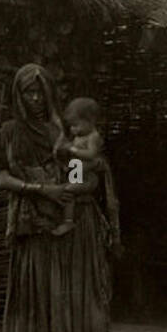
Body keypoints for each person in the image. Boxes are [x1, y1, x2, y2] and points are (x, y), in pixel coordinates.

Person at [0, 65, 112, 332]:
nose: (36, 98)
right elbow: (2, 179)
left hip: (71, 222)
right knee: (37, 295)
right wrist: (42, 190)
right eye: (29, 92)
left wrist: (73, 189)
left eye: (41, 91)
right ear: (19, 95)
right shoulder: (10, 132)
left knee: (73, 293)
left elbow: (89, 166)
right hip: (33, 223)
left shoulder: (63, 131)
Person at [51, 97, 106, 237]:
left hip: (87, 178)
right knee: (63, 186)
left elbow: (91, 155)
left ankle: (68, 221)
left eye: (76, 125)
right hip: (77, 173)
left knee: (68, 190)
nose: (73, 129)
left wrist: (73, 150)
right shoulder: (79, 135)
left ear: (90, 120)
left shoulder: (93, 137)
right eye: (71, 126)